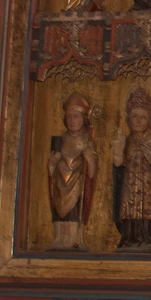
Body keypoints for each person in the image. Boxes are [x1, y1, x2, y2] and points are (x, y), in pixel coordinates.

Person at [114, 87, 151, 251]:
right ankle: (129, 237)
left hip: (145, 183)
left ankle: (145, 236)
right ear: (129, 119)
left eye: (142, 117)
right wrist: (118, 148)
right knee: (129, 208)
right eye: (134, 117)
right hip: (129, 181)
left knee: (145, 208)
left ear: (149, 120)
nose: (138, 121)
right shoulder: (127, 139)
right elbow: (119, 163)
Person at [47, 94, 98, 251]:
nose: (71, 120)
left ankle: (74, 239)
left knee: (74, 212)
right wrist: (52, 162)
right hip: (60, 182)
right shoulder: (60, 139)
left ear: (83, 119)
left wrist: (89, 158)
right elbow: (51, 168)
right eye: (69, 117)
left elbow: (92, 172)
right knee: (59, 210)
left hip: (76, 183)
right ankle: (60, 239)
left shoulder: (87, 141)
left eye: (76, 116)